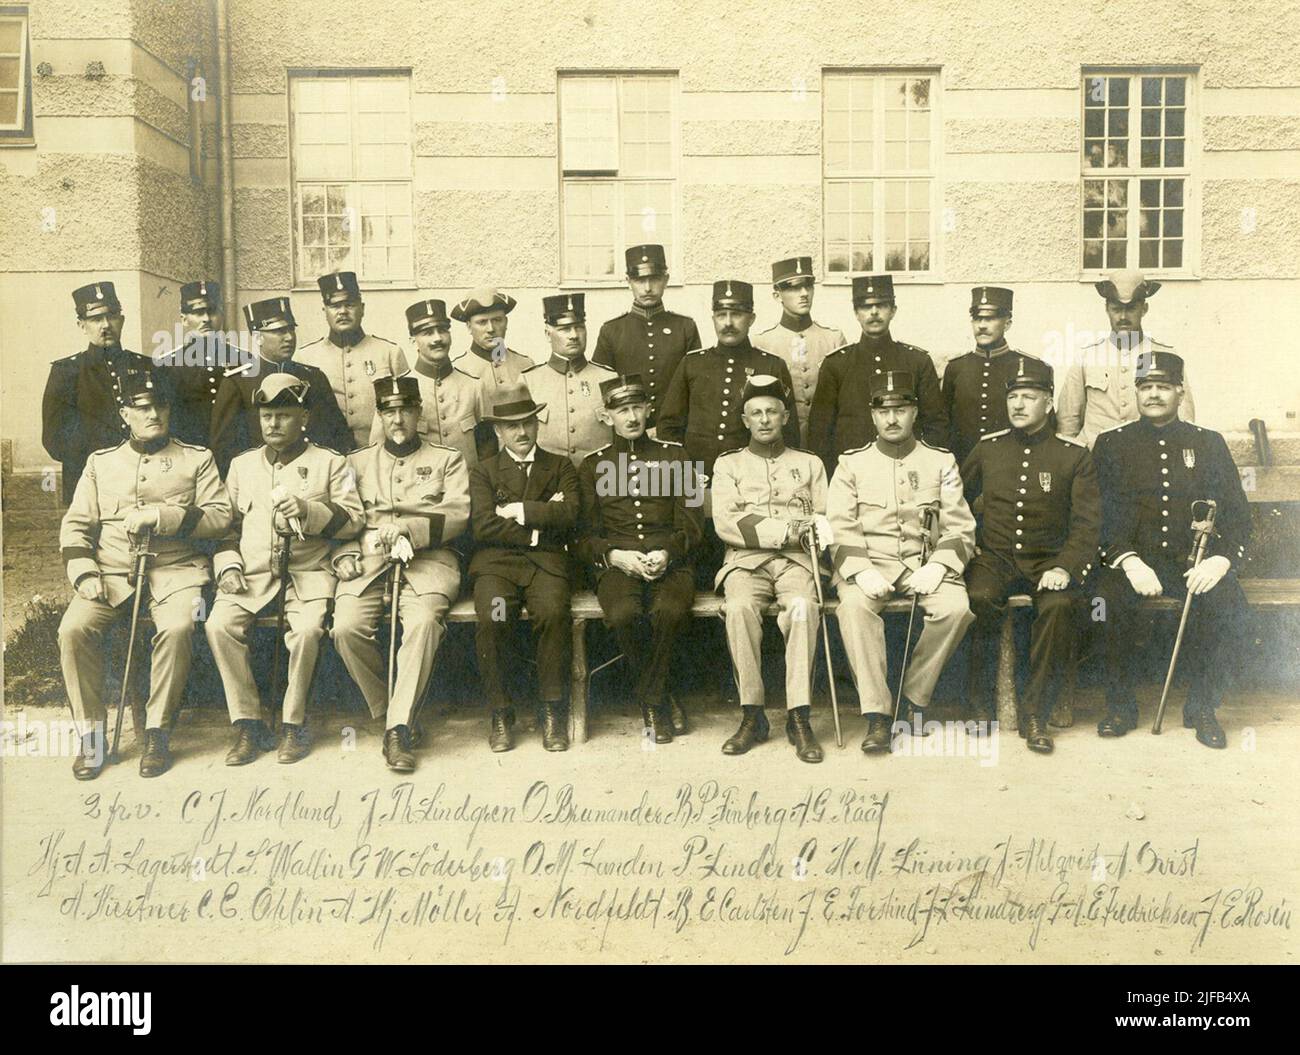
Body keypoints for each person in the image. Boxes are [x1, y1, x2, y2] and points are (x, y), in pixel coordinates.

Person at [57, 374, 231, 779]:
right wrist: (84, 574)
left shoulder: (196, 458)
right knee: (73, 630)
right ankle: (93, 737)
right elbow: (76, 526)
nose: (153, 414)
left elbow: (221, 517)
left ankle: (157, 730)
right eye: (142, 408)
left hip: (177, 572)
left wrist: (163, 517)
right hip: (111, 573)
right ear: (125, 414)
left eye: (160, 406)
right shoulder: (101, 463)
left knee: (178, 626)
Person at [1091, 351, 1249, 749]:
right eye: (1147, 387)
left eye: (1164, 387)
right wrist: (1126, 560)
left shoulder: (1207, 443)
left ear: (1180, 391)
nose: (1155, 395)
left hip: (1190, 563)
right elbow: (1097, 514)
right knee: (1101, 604)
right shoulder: (1112, 444)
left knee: (1230, 604)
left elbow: (1237, 513)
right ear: (1137, 392)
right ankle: (1120, 706)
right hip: (1132, 564)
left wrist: (1220, 559)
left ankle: (1202, 708)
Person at [206, 374, 363, 766]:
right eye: (267, 416)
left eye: (284, 416)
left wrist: (310, 511)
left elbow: (355, 520)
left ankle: (294, 724)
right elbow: (227, 526)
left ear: (304, 417)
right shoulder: (242, 466)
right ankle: (248, 724)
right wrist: (228, 566)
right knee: (218, 625)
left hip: (309, 574)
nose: (273, 424)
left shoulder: (330, 462)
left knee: (308, 631)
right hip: (253, 574)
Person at [828, 371, 976, 753]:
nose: (892, 419)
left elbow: (960, 528)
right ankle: (877, 716)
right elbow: (839, 527)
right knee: (854, 610)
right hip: (869, 563)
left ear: (915, 413)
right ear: (873, 416)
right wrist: (860, 571)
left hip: (922, 562)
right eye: (883, 411)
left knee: (956, 609)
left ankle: (913, 700)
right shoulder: (851, 465)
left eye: (901, 409)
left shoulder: (940, 461)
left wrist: (939, 567)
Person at [961, 356, 1101, 753]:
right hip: (996, 558)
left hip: (1049, 561)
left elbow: (1087, 526)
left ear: (1049, 402)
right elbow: (952, 499)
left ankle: (1035, 713)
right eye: (1013, 396)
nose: (1019, 405)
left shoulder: (1073, 455)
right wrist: (964, 541)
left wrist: (1065, 566)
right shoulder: (989, 449)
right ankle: (977, 705)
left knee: (1058, 607)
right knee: (978, 598)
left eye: (1029, 396)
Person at [332, 376, 471, 772]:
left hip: (428, 562)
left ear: (419, 413)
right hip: (369, 562)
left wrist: (410, 529)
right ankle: (389, 711)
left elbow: (458, 513)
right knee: (345, 628)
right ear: (379, 415)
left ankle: (398, 728)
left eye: (406, 410)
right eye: (389, 411)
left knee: (424, 623)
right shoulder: (356, 462)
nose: (398, 419)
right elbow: (345, 518)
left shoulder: (447, 458)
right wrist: (343, 552)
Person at [576, 374, 703, 742]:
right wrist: (615, 556)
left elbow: (693, 524)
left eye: (637, 407)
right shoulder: (593, 465)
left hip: (671, 561)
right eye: (621, 410)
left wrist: (668, 552)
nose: (631, 417)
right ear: (606, 416)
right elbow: (583, 536)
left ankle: (652, 699)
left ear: (649, 409)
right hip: (618, 564)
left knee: (670, 611)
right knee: (623, 614)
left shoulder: (678, 456)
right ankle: (658, 699)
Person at [711, 375, 828, 763]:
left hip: (798, 563)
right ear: (745, 420)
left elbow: (825, 518)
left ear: (785, 416)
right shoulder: (728, 465)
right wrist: (790, 530)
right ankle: (752, 714)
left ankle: (799, 716)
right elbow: (728, 521)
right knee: (740, 609)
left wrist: (811, 533)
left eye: (772, 412)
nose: (764, 420)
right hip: (745, 563)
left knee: (801, 610)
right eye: (756, 413)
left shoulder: (809, 464)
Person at [467, 381, 580, 752]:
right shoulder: (484, 472)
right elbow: (483, 525)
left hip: (547, 566)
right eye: (512, 426)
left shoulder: (560, 466)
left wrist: (519, 512)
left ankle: (552, 710)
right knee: (495, 618)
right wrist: (539, 527)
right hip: (498, 568)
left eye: (528, 423)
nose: (521, 432)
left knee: (552, 613)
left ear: (537, 424)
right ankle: (501, 712)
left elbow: (572, 514)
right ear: (498, 431)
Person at [43, 281, 173, 502]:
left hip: (146, 480)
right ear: (81, 325)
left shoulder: (149, 367)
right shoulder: (67, 371)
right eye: (95, 319)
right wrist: (107, 463)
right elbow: (54, 439)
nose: (105, 325)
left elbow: (168, 423)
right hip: (91, 483)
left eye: (111, 316)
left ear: (121, 321)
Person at [807, 274, 947, 470]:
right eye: (865, 306)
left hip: (907, 468)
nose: (874, 312)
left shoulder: (917, 361)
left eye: (881, 305)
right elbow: (820, 431)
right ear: (856, 313)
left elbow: (935, 425)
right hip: (851, 473)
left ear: (893, 311)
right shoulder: (836, 364)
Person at [209, 297, 353, 473]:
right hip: (259, 475)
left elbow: (336, 434)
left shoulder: (314, 378)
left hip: (312, 474)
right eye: (279, 331)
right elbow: (223, 446)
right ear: (257, 337)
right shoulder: (238, 382)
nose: (289, 337)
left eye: (291, 329)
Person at [1057, 268, 1196, 448]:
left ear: (1144, 309)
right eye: (1116, 309)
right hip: (1095, 462)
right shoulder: (1087, 357)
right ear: (1107, 309)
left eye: (1131, 309)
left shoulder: (1164, 357)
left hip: (1144, 459)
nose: (1123, 317)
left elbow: (1184, 419)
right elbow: (1068, 422)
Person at [592, 244, 702, 427]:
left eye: (655, 279)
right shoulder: (612, 330)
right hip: (628, 431)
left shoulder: (685, 327)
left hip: (674, 429)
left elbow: (695, 386)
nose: (648, 288)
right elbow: (603, 389)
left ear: (666, 279)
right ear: (629, 281)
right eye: (640, 280)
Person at [297, 271, 408, 448]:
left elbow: (407, 412)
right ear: (324, 311)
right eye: (335, 306)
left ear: (362, 308)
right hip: (325, 459)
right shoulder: (305, 357)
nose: (342, 311)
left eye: (349, 305)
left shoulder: (389, 353)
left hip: (379, 457)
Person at [941, 286, 1044, 467]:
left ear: (1007, 323)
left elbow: (1043, 426)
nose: (982, 325)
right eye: (977, 318)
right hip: (963, 465)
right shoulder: (956, 368)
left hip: (1012, 465)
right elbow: (943, 422)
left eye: (990, 318)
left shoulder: (1030, 366)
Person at [370, 298, 479, 467]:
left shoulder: (474, 386)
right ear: (413, 340)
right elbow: (377, 453)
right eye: (427, 333)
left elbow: (488, 447)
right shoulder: (397, 388)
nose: (437, 339)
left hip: (467, 485)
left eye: (442, 330)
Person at [751, 255, 846, 443]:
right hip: (781, 442)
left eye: (808, 286)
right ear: (777, 295)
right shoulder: (761, 342)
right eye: (794, 287)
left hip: (826, 440)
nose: (804, 293)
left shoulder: (833, 338)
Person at [522, 293, 616, 465]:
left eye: (579, 327)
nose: (574, 335)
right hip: (549, 484)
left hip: (598, 480)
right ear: (547, 334)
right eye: (564, 329)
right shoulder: (529, 381)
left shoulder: (608, 378)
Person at [449, 287, 536, 459]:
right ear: (468, 326)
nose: (491, 328)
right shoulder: (458, 370)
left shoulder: (525, 365)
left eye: (497, 320)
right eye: (482, 322)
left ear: (506, 322)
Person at [165, 280, 242, 447]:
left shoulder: (243, 360)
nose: (206, 319)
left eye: (212, 311)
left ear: (222, 315)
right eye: (198, 313)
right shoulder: (168, 364)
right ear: (184, 319)